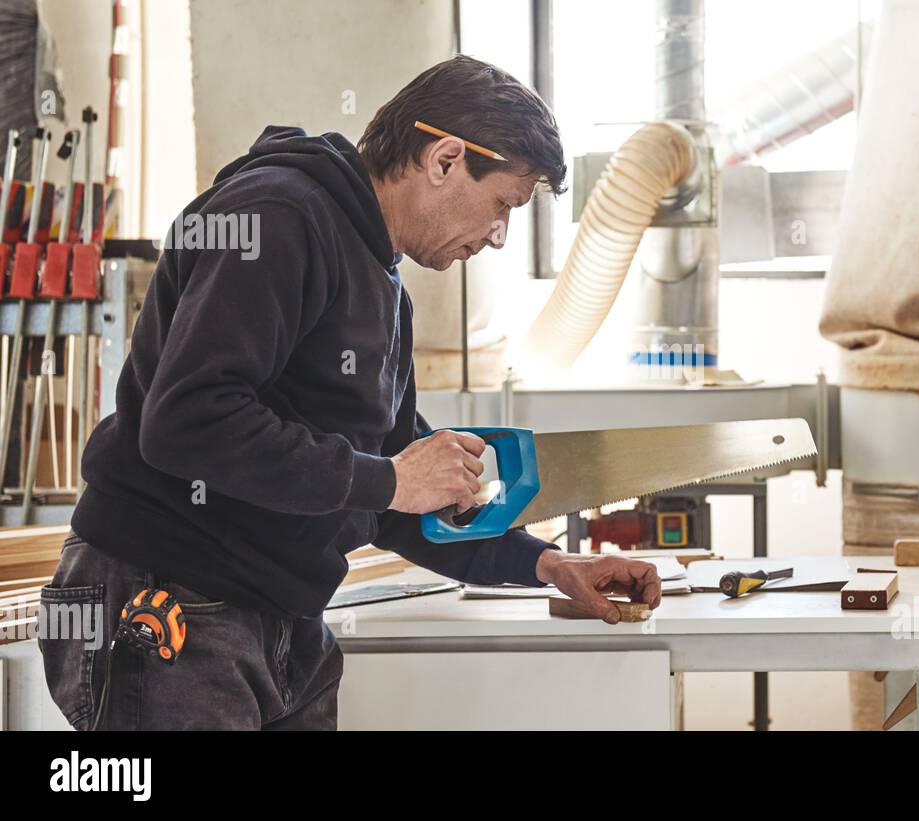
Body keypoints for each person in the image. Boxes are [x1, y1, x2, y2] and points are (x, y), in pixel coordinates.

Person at [38, 54, 661, 731]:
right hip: (170, 597)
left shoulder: (384, 286)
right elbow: (187, 419)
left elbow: (391, 497)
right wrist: (389, 477)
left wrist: (543, 562)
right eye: (504, 206)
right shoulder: (278, 215)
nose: (500, 236)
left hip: (279, 618)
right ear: (446, 159)